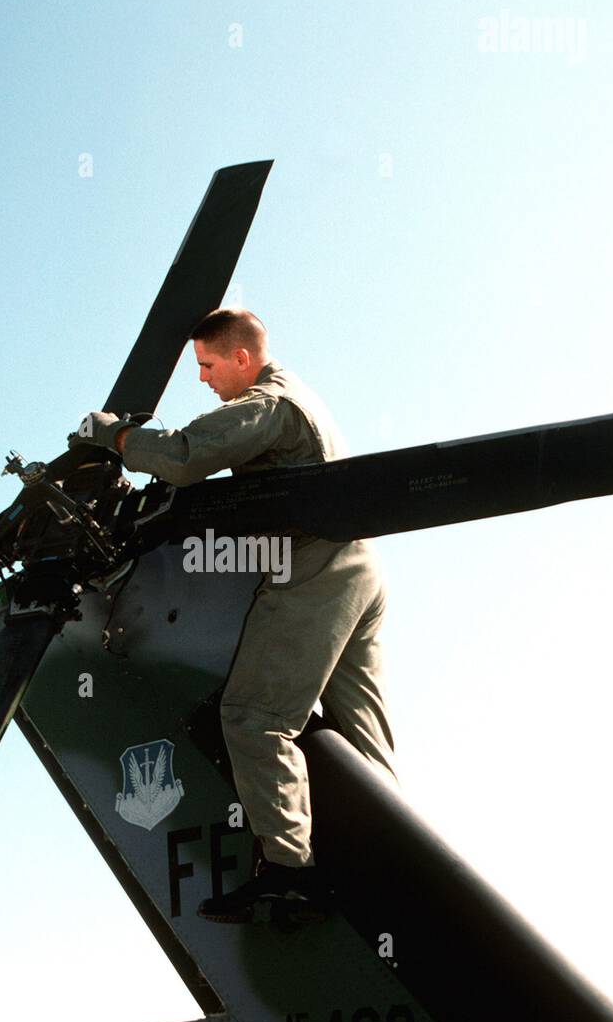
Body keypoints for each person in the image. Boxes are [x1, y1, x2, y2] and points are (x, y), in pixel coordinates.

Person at [75, 308, 397, 921]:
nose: (202, 379)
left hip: (315, 567)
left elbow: (188, 453)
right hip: (359, 567)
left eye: (208, 365)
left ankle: (288, 872)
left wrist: (115, 436)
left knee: (255, 716)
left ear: (242, 358)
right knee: (361, 742)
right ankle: (388, 867)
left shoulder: (268, 403)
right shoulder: (301, 396)